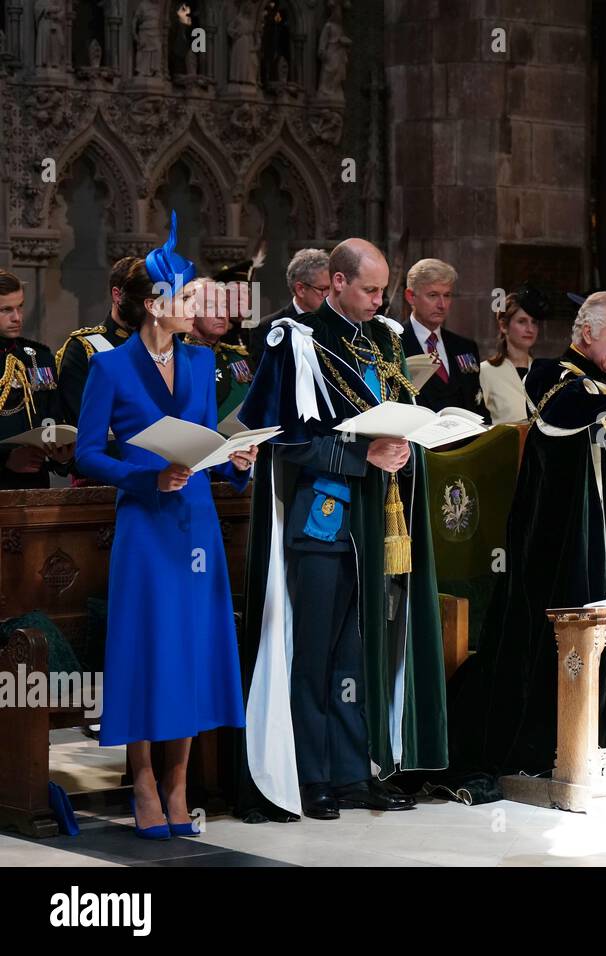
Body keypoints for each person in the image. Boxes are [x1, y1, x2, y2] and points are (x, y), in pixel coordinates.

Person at [239, 238, 448, 821]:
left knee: (360, 654)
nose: (380, 301)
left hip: (379, 519)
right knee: (315, 654)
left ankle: (355, 771)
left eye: (384, 290)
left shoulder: (384, 338)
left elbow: (395, 412)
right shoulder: (297, 340)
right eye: (370, 290)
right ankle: (312, 775)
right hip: (323, 522)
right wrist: (364, 458)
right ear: (335, 282)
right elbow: (286, 440)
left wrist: (414, 440)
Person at [446, 292, 606, 778]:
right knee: (560, 631)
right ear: (588, 332)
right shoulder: (554, 373)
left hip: (605, 528)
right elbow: (566, 417)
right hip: (559, 533)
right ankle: (550, 745)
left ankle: (603, 740)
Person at [74, 219, 254, 839]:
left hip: (196, 521)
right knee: (148, 651)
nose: (195, 309)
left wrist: (235, 460)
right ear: (154, 306)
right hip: (147, 525)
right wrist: (146, 480)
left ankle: (180, 786)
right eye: (185, 300)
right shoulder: (112, 369)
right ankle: (144, 782)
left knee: (191, 651)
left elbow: (211, 436)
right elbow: (88, 453)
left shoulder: (204, 364)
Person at [0, 269, 72, 489]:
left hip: (34, 485)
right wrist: (5, 460)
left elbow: (53, 416)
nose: (17, 317)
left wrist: (63, 454)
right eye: (6, 310)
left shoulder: (38, 357)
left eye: (20, 306)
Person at [56, 256, 137, 429]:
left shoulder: (162, 345)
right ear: (117, 295)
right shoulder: (84, 348)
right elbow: (79, 418)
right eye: (139, 299)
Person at [400, 258, 486, 416]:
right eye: (433, 295)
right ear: (411, 296)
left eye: (447, 295)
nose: (442, 305)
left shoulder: (465, 347)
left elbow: (478, 407)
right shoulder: (394, 344)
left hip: (467, 438)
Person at [182, 277, 255, 423]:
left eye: (224, 306)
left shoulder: (237, 356)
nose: (221, 314)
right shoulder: (176, 359)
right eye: (210, 306)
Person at [478, 282, 548, 424]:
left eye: (534, 322)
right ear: (504, 326)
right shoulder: (486, 371)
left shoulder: (545, 372)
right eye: (522, 321)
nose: (530, 329)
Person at [248, 248, 330, 366]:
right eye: (323, 289)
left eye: (332, 288)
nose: (328, 295)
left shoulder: (338, 322)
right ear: (300, 289)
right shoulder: (267, 328)